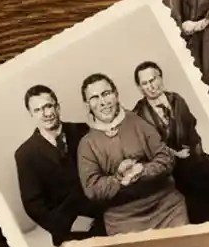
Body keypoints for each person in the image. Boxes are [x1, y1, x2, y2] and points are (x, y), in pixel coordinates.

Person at [131, 61, 209, 224]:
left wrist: (197, 156)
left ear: (161, 78)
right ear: (140, 87)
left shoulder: (177, 100)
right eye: (145, 83)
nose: (151, 86)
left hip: (191, 159)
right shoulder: (139, 114)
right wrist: (176, 155)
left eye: (153, 79)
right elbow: (149, 148)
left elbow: (192, 131)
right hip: (166, 166)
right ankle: (204, 214)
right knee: (184, 183)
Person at [76, 73, 189, 235]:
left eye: (106, 94)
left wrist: (142, 170)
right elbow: (92, 189)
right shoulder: (86, 144)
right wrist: (119, 179)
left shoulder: (139, 122)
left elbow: (167, 159)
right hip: (122, 218)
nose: (103, 102)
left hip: (166, 206)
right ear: (87, 105)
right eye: (94, 97)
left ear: (116, 94)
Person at [13, 84, 105, 246]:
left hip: (105, 213)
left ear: (58, 107)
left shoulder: (83, 131)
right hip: (69, 229)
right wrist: (68, 224)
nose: (46, 114)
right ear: (31, 114)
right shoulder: (25, 154)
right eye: (38, 110)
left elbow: (104, 168)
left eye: (49, 106)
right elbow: (33, 205)